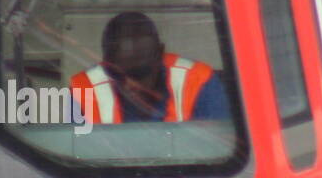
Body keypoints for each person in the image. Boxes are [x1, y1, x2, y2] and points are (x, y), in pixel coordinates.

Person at [70, 11, 229, 123]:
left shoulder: (198, 80)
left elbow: (220, 151)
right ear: (107, 62)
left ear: (161, 52)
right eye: (126, 46)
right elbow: (72, 157)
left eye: (142, 43)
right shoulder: (83, 89)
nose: (134, 48)